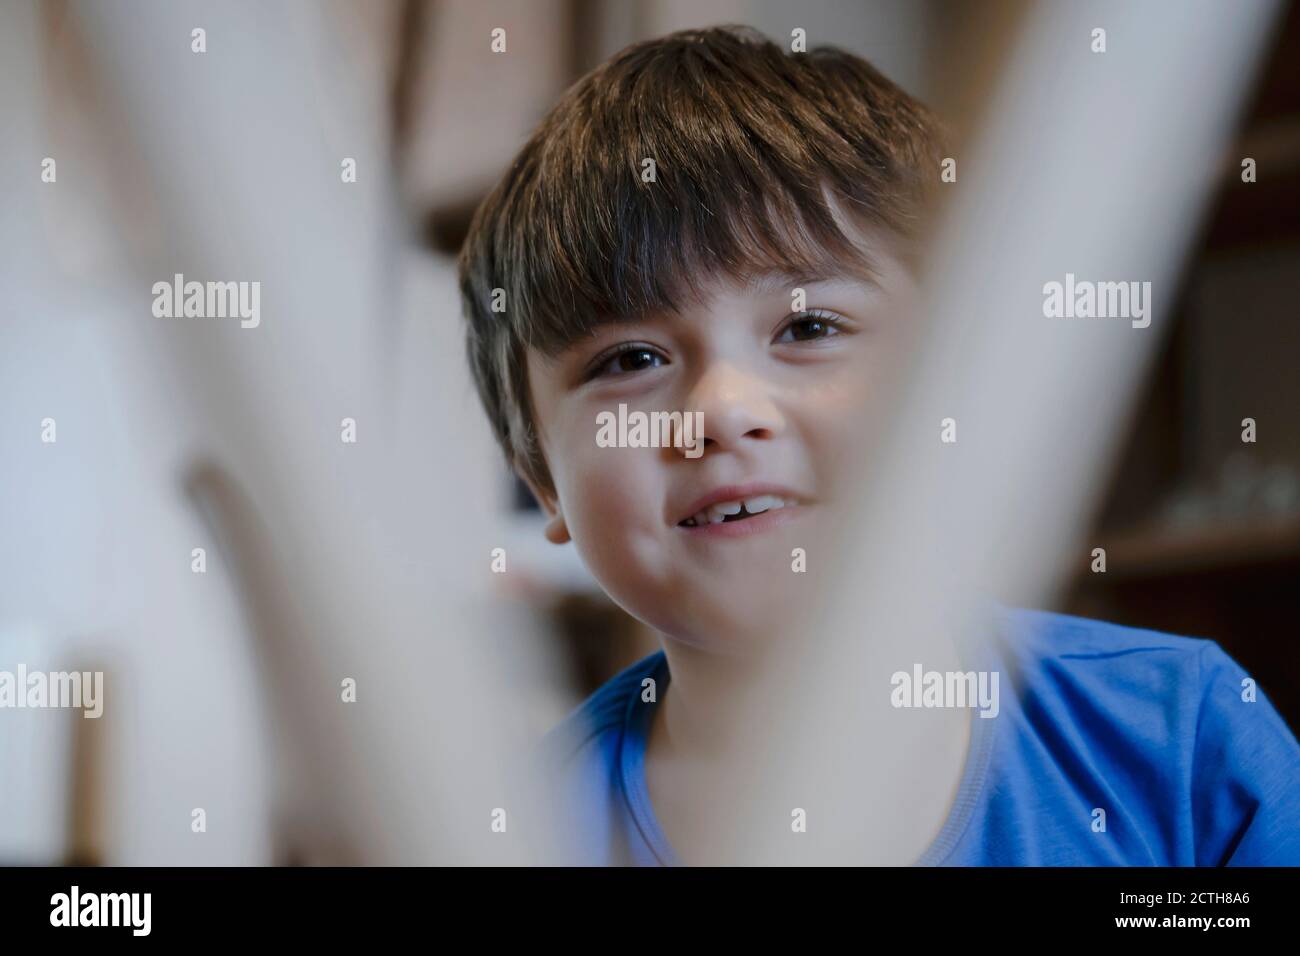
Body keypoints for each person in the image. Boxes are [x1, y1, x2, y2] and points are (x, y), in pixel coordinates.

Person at [456, 25, 1300, 865]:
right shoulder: (511, 834)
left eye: (808, 326)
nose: (720, 411)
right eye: (631, 360)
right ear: (543, 482)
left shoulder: (1185, 740)